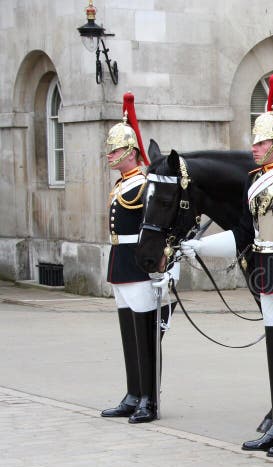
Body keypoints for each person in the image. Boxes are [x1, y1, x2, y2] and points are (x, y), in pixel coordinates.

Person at [180, 73, 273, 457]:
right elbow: (244, 231)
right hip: (266, 273)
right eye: (253, 141)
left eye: (260, 142)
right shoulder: (254, 184)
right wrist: (201, 246)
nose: (253, 148)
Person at [101, 92, 178, 424]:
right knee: (129, 334)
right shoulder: (122, 184)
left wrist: (164, 263)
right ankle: (133, 393)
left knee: (147, 335)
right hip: (121, 261)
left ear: (131, 153)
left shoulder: (145, 184)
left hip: (139, 263)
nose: (111, 155)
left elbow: (162, 227)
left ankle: (149, 399)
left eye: (116, 150)